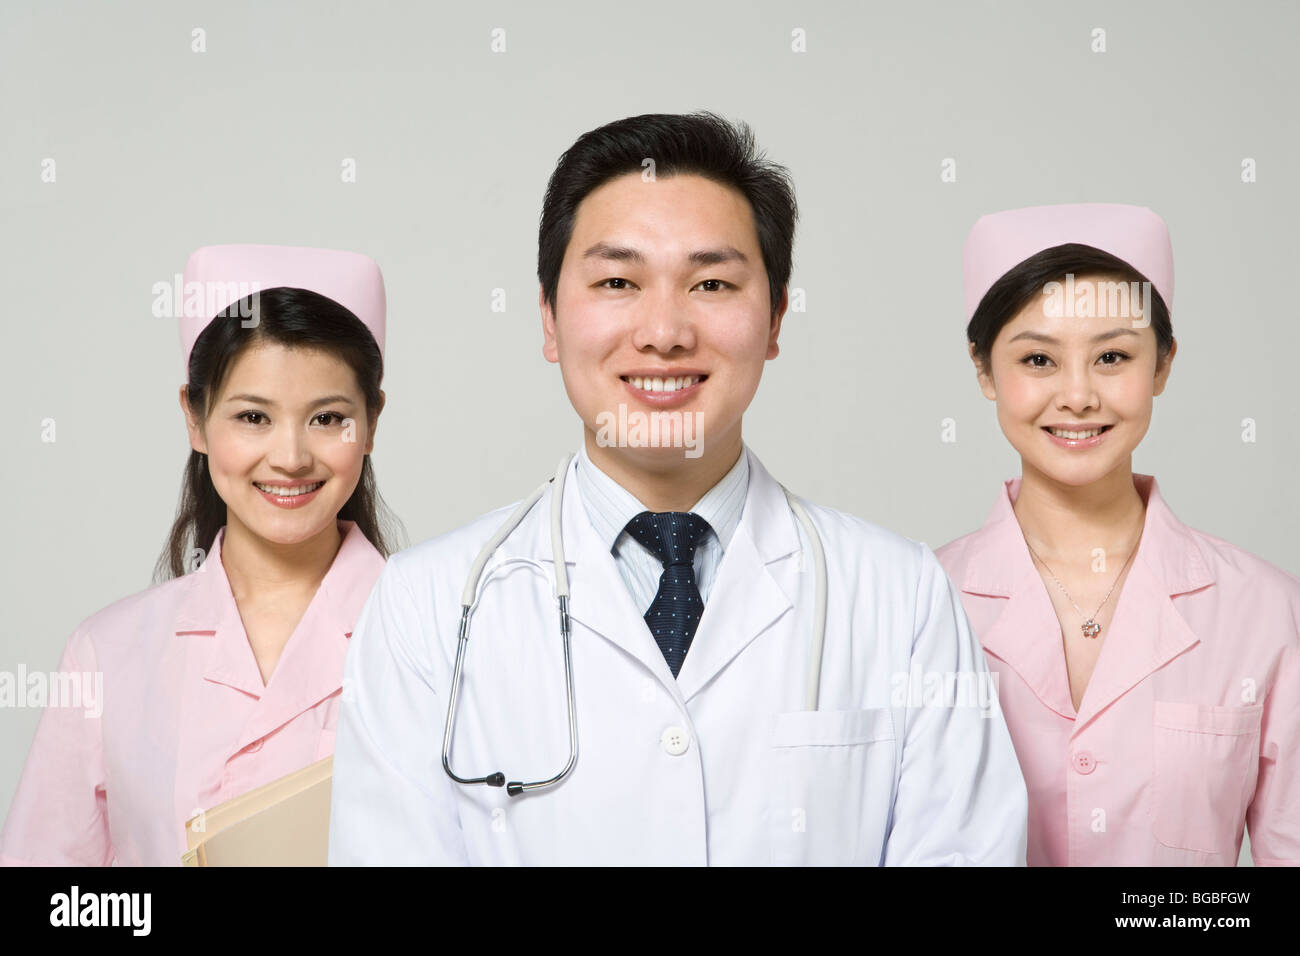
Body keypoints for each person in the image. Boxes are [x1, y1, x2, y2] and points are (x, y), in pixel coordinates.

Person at [328, 112, 1027, 866]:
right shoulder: (427, 605)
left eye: (711, 282)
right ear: (549, 317)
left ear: (777, 317)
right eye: (618, 281)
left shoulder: (902, 596)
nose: (664, 331)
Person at [0, 244, 396, 865]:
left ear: (370, 422)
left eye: (326, 418)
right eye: (252, 417)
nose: (290, 457)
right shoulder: (108, 652)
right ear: (195, 417)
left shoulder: (441, 635)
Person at [935, 203, 1300, 866]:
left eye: (1112, 356)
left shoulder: (1266, 610)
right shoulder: (919, 602)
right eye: (1039, 360)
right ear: (985, 371)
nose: (1077, 396)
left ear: (1161, 365)